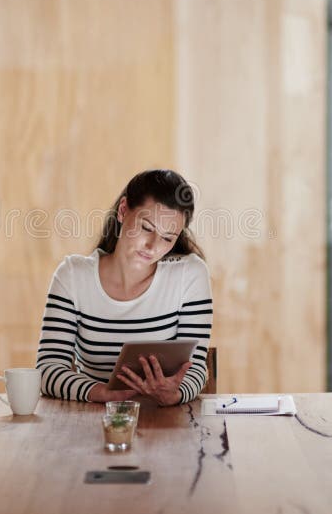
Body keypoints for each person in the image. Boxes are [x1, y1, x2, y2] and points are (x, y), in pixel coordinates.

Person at [36, 169, 213, 406]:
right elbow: (47, 370)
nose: (152, 246)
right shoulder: (73, 276)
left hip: (164, 423)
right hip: (92, 420)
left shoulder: (189, 275)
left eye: (168, 238)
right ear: (122, 210)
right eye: (147, 228)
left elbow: (196, 368)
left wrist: (175, 393)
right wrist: (101, 393)